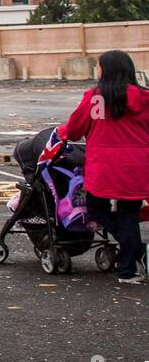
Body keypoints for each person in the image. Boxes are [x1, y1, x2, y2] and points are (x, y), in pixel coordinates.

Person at [58, 49, 149, 284]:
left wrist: (62, 133)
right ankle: (128, 266)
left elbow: (75, 129)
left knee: (96, 208)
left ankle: (136, 252)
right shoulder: (144, 98)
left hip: (104, 165)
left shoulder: (94, 97)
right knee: (129, 213)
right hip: (136, 165)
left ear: (105, 69)